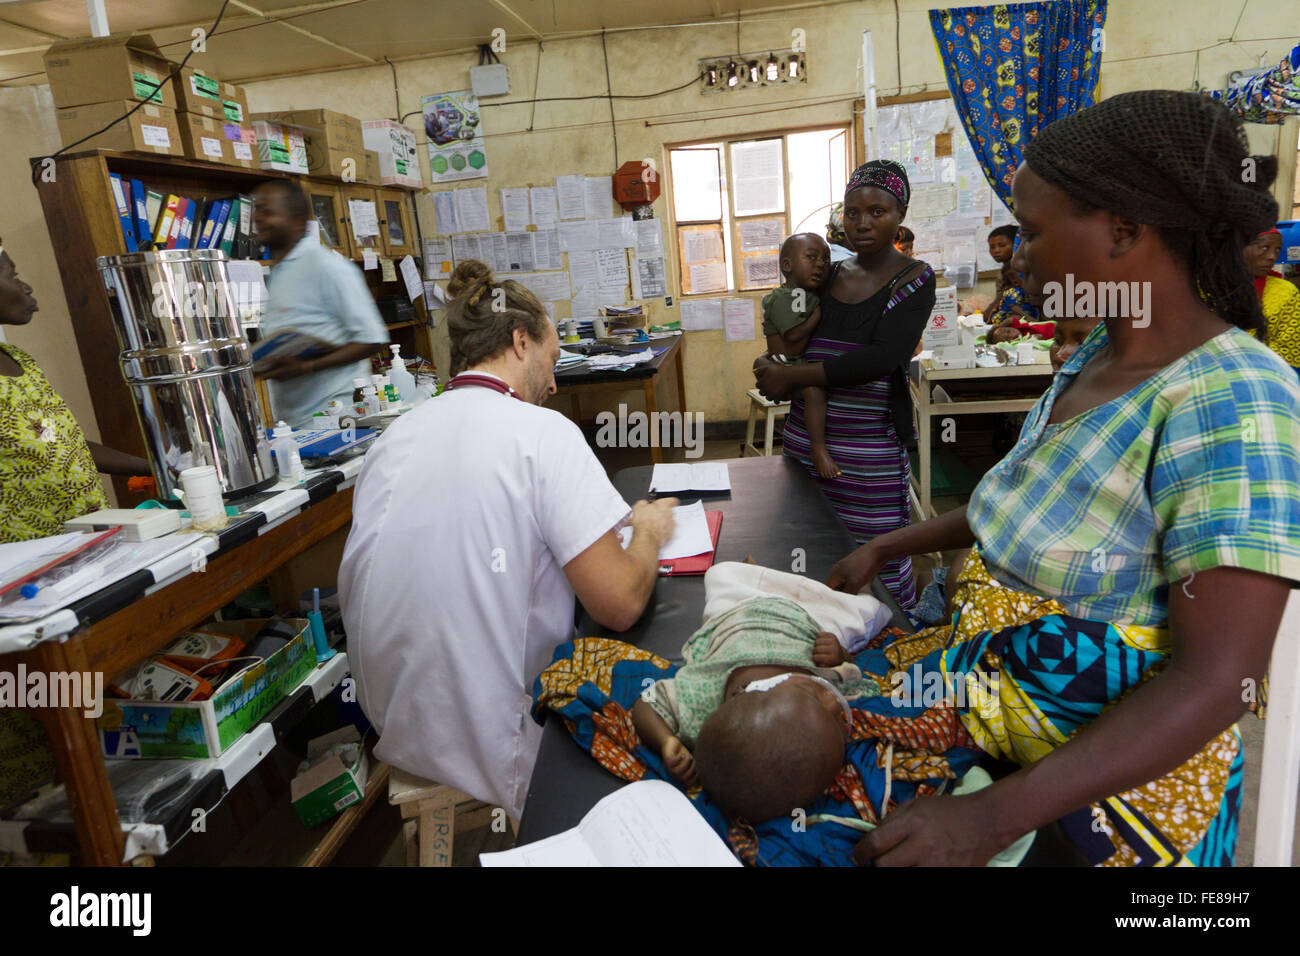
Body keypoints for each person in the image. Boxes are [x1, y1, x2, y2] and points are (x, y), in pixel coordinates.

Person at [831, 90, 1300, 867]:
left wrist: (989, 818)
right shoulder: (1095, 357)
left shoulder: (1236, 397)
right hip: (998, 705)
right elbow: (1027, 504)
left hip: (1113, 797)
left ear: (1123, 230)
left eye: (1034, 232)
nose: (1018, 256)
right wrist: (890, 545)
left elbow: (1218, 678)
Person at [338, 260, 677, 818]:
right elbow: (619, 603)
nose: (554, 383)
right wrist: (648, 532)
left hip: (395, 725)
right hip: (493, 740)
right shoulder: (542, 433)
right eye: (552, 360)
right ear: (521, 342)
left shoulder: (394, 438)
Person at [0, 238, 151, 807]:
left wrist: (154, 467)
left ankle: (112, 803)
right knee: (38, 718)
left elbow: (68, 446)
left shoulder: (22, 363)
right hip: (23, 587)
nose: (25, 284)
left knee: (91, 698)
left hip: (80, 559)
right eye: (11, 274)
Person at [754, 160, 935, 609]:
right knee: (811, 554)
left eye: (877, 212)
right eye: (852, 212)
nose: (862, 223)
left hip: (867, 454)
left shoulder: (914, 279)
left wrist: (793, 375)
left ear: (900, 214)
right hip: (805, 442)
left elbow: (882, 359)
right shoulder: (829, 273)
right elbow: (791, 336)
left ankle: (893, 638)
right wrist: (769, 361)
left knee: (877, 566)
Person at [630, 560, 889, 790]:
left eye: (816, 697)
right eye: (834, 719)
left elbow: (647, 702)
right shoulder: (823, 687)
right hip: (808, 619)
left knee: (719, 574)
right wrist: (840, 655)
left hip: (735, 612)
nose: (833, 702)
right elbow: (855, 677)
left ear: (740, 692)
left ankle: (752, 572)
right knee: (868, 610)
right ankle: (765, 577)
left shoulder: (700, 703)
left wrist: (666, 741)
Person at [250, 180, 390, 427]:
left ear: (297, 220)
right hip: (296, 420)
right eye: (256, 210)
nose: (256, 218)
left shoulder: (327, 266)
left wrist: (307, 366)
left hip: (336, 417)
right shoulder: (280, 271)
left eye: (267, 211)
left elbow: (373, 338)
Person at [761, 233, 838, 477]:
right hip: (787, 364)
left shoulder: (804, 295)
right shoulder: (785, 297)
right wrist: (819, 314)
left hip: (793, 362)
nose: (820, 265)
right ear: (787, 265)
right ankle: (818, 449)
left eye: (825, 260)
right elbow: (793, 339)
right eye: (811, 258)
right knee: (814, 392)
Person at [1244, 227, 1300, 376]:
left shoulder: (1286, 292)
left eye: (1277, 250)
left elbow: (1289, 349)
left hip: (1268, 377)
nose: (1272, 256)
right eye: (1265, 247)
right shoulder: (1208, 288)